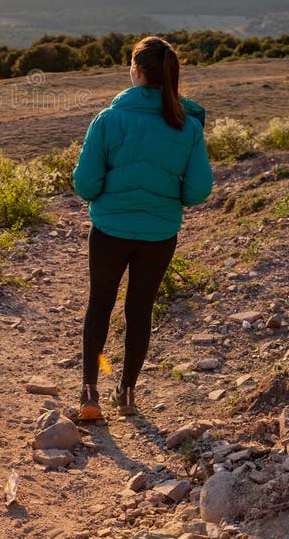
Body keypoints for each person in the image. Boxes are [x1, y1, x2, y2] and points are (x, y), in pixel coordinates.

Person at [72, 36, 213, 420]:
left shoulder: (108, 120)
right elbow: (199, 189)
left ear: (135, 71)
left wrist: (109, 196)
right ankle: (128, 393)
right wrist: (170, 198)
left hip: (109, 232)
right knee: (139, 310)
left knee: (100, 305)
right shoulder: (187, 126)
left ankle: (90, 393)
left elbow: (85, 185)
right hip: (159, 235)